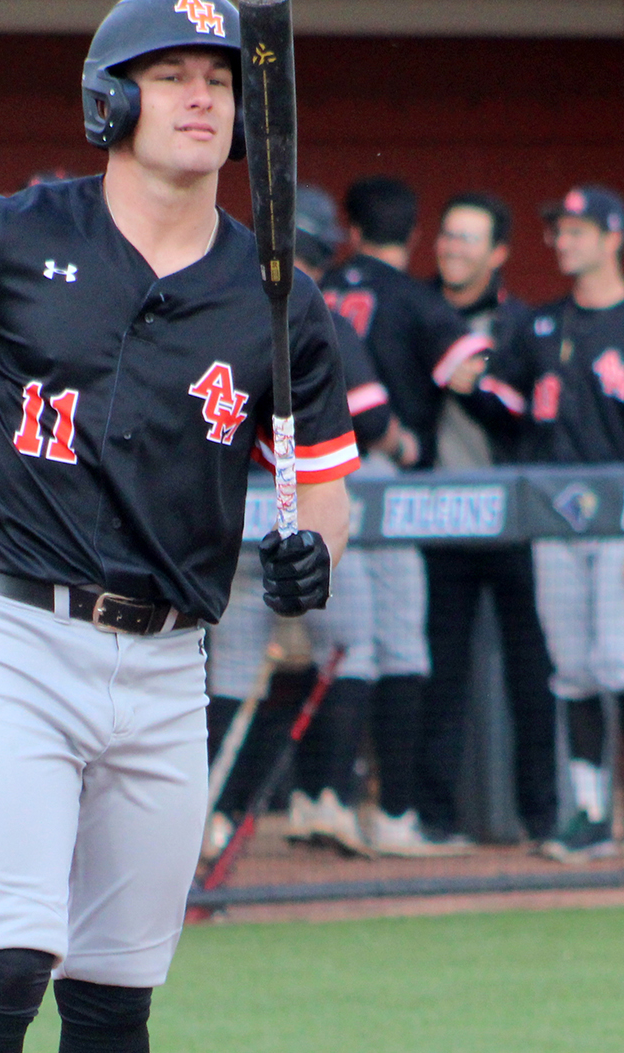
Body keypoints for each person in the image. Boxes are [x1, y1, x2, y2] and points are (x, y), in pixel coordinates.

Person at [0, 0, 354, 1052]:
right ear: (110, 100)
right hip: (11, 636)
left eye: (219, 81)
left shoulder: (276, 296)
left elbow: (324, 489)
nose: (200, 98)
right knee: (9, 961)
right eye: (171, 76)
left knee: (115, 999)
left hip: (167, 666)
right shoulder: (14, 235)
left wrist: (315, 556)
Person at [204, 185, 452, 859]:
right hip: (304, 510)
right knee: (351, 647)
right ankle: (327, 798)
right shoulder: (315, 312)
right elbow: (371, 419)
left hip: (231, 508)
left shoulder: (216, 304)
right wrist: (407, 447)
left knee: (234, 670)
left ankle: (212, 813)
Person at [476, 184, 624, 864]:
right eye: (559, 229)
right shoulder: (541, 325)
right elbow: (504, 410)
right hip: (556, 520)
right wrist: (471, 377)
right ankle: (590, 810)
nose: (562, 241)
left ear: (612, 239)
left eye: (577, 230)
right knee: (573, 670)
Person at [320, 177, 467, 853]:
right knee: (399, 644)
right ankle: (395, 813)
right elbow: (474, 371)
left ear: (352, 231)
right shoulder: (415, 298)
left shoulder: (318, 288)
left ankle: (325, 797)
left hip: (311, 477)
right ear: (412, 234)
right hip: (385, 475)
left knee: (347, 644)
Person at [426, 191, 560, 847]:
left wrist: (473, 387)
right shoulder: (419, 310)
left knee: (531, 673)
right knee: (438, 673)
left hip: (511, 520)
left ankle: (544, 817)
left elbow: (531, 422)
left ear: (498, 252)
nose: (453, 247)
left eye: (469, 238)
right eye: (448, 234)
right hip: (432, 519)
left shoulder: (523, 325)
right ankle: (433, 819)